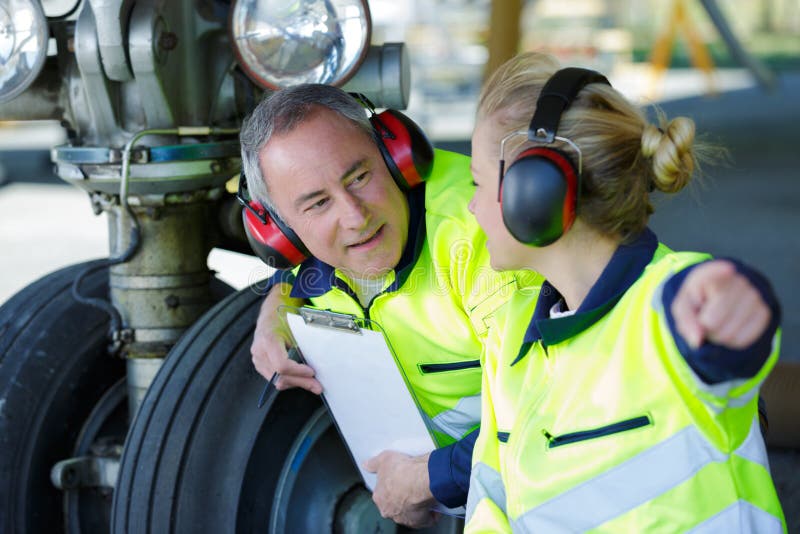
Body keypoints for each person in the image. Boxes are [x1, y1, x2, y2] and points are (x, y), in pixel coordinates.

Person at [464, 51, 785, 532]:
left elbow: (719, 323)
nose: (468, 207)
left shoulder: (667, 306)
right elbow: (490, 498)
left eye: (477, 183)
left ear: (534, 192)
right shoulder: (510, 335)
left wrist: (736, 303)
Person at [239, 84, 532, 527]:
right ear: (278, 232)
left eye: (359, 177)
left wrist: (426, 482)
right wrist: (275, 308)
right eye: (318, 204)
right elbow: (297, 273)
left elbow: (551, 420)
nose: (356, 217)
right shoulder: (315, 258)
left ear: (396, 156)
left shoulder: (485, 241)